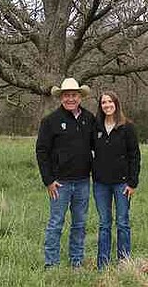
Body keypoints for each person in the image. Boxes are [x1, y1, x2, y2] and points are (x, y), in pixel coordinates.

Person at [35, 77, 96, 269]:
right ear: (61, 98)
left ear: (80, 97)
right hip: (59, 183)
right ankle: (51, 263)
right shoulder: (50, 121)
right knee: (56, 223)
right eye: (67, 95)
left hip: (83, 182)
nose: (71, 99)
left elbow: (99, 146)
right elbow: (41, 151)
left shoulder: (89, 119)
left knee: (79, 224)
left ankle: (76, 261)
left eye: (74, 95)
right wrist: (49, 180)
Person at [92, 90, 141, 270]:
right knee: (104, 223)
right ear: (100, 106)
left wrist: (132, 182)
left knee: (122, 222)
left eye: (110, 102)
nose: (107, 105)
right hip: (100, 183)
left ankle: (124, 262)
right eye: (104, 102)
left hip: (122, 183)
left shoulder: (127, 127)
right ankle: (102, 264)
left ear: (116, 104)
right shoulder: (96, 127)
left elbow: (135, 155)